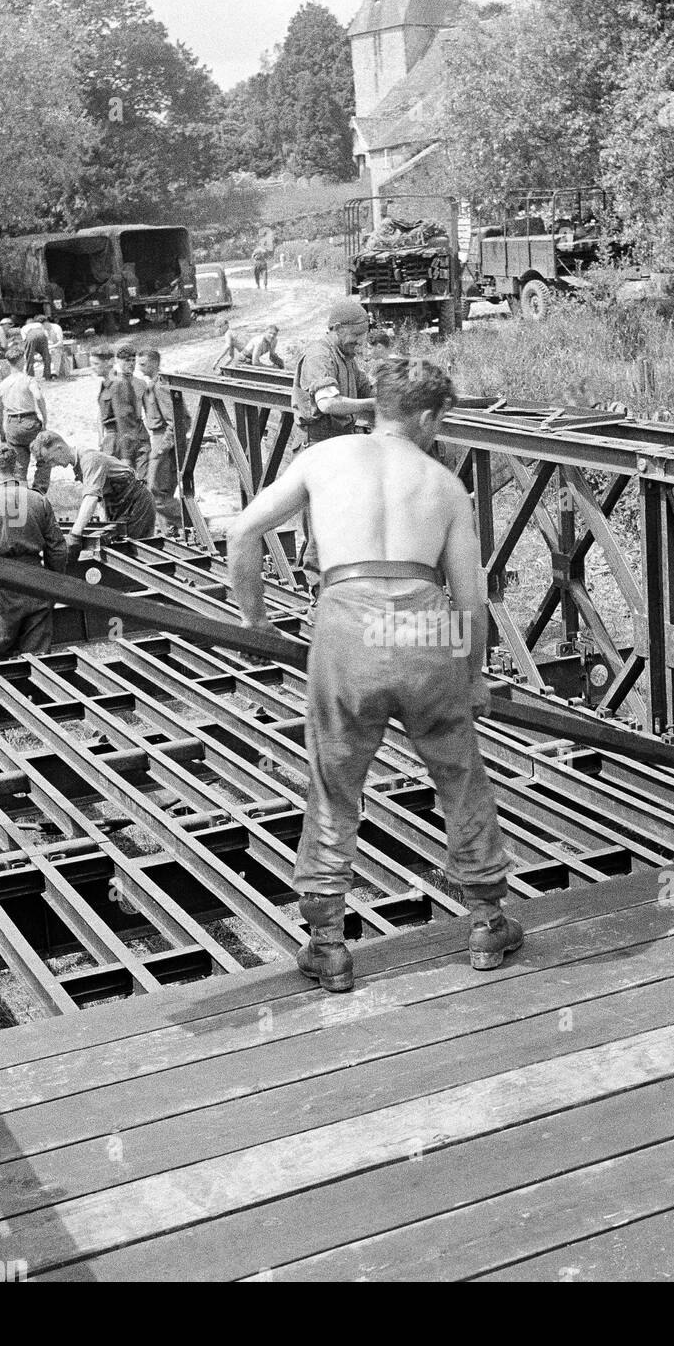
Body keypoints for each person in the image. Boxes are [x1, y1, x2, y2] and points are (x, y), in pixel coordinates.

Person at [226, 358, 519, 992]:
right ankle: (488, 920)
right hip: (425, 621)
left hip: (346, 620)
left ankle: (328, 942)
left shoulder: (322, 459)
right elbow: (469, 597)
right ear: (428, 416)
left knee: (335, 780)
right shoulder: (444, 484)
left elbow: (243, 533)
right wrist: (472, 678)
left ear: (375, 407)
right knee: (459, 771)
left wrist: (255, 622)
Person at [290, 298, 376, 580]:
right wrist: (370, 405)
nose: (359, 343)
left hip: (341, 446)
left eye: (363, 336)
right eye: (355, 336)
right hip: (318, 449)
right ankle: (318, 593)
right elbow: (329, 404)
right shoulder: (319, 357)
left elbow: (368, 389)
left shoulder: (345, 357)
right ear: (337, 329)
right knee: (323, 525)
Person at [0, 446, 68, 659]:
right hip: (36, 583)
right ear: (16, 469)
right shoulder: (38, 500)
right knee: (40, 662)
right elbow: (57, 549)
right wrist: (52, 584)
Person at [32, 429, 156, 554]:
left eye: (52, 459)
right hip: (119, 506)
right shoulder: (78, 464)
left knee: (135, 555)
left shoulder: (90, 460)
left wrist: (75, 534)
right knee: (116, 552)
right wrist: (104, 523)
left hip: (137, 504)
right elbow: (100, 494)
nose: (53, 465)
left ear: (59, 448)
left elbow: (91, 498)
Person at [134, 348, 184, 535]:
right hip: (158, 438)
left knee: (154, 494)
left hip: (163, 441)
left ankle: (190, 522)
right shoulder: (152, 385)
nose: (140, 367)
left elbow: (176, 422)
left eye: (143, 364)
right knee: (163, 492)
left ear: (155, 363)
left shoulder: (160, 387)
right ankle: (169, 532)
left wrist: (162, 449)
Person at [0, 343, 49, 490]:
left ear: (8, 362)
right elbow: (38, 397)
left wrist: (2, 433)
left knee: (19, 466)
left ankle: (22, 496)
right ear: (22, 361)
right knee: (44, 459)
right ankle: (39, 490)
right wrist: (44, 419)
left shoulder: (2, 385)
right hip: (30, 422)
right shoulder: (29, 380)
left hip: (12, 424)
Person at [96, 344, 149, 479]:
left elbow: (149, 411)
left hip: (138, 430)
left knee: (141, 477)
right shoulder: (112, 383)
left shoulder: (140, 384)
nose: (130, 364)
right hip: (119, 436)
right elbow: (102, 414)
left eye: (133, 360)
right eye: (126, 360)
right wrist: (101, 436)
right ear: (118, 361)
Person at [21, 314, 53, 381]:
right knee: (46, 356)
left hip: (31, 335)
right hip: (42, 336)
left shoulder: (23, 328)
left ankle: (30, 377)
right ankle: (47, 375)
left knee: (29, 358)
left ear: (26, 323)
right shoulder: (39, 324)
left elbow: (25, 340)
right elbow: (45, 335)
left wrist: (31, 352)